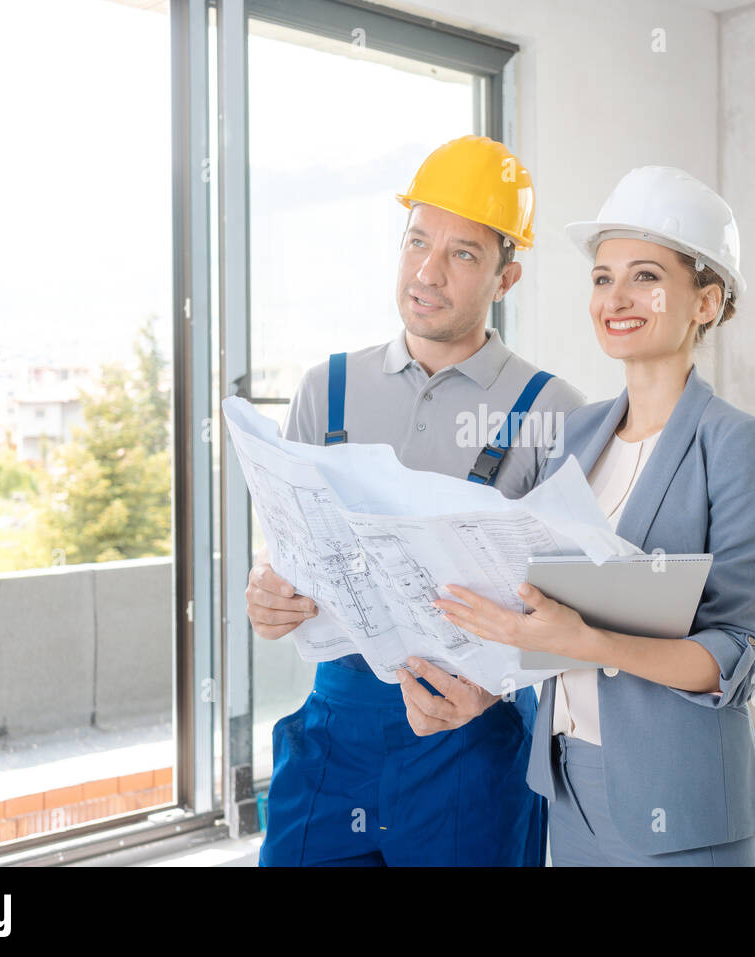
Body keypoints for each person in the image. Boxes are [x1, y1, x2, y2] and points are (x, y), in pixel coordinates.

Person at [432, 166, 755, 865]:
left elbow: (740, 656)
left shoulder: (735, 443)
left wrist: (588, 641)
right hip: (568, 789)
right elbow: (537, 604)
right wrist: (485, 679)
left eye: (645, 277)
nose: (616, 299)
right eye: (602, 278)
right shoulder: (576, 435)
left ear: (706, 301)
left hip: (683, 804)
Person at [249, 135, 586, 867]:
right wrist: (267, 592)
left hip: (473, 737)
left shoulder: (554, 410)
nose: (428, 272)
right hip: (334, 729)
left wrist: (494, 693)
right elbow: (285, 553)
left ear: (507, 276)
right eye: (417, 241)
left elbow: (579, 613)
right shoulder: (326, 390)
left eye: (463, 253)